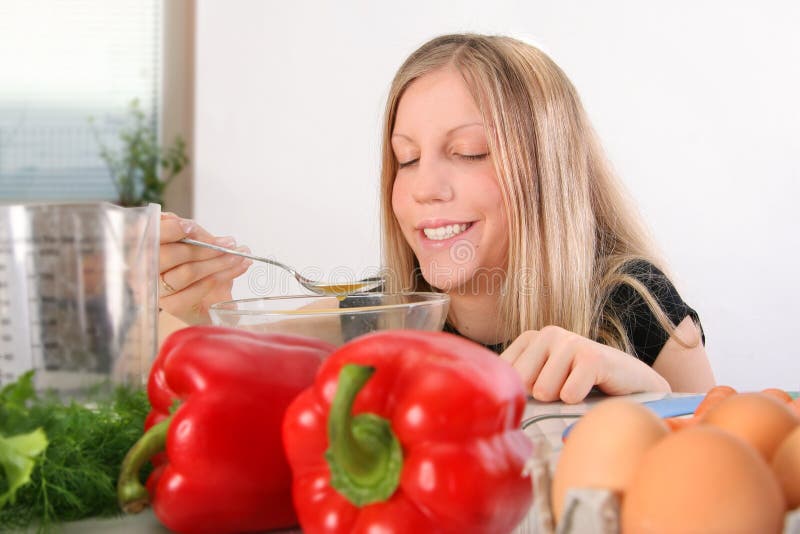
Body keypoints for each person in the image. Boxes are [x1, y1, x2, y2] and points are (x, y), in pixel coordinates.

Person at [157, 33, 715, 403]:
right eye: (406, 159)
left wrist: (650, 396)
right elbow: (211, 356)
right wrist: (192, 305)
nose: (424, 188)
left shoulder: (634, 303)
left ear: (549, 172)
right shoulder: (380, 315)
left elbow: (723, 472)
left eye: (470, 152)